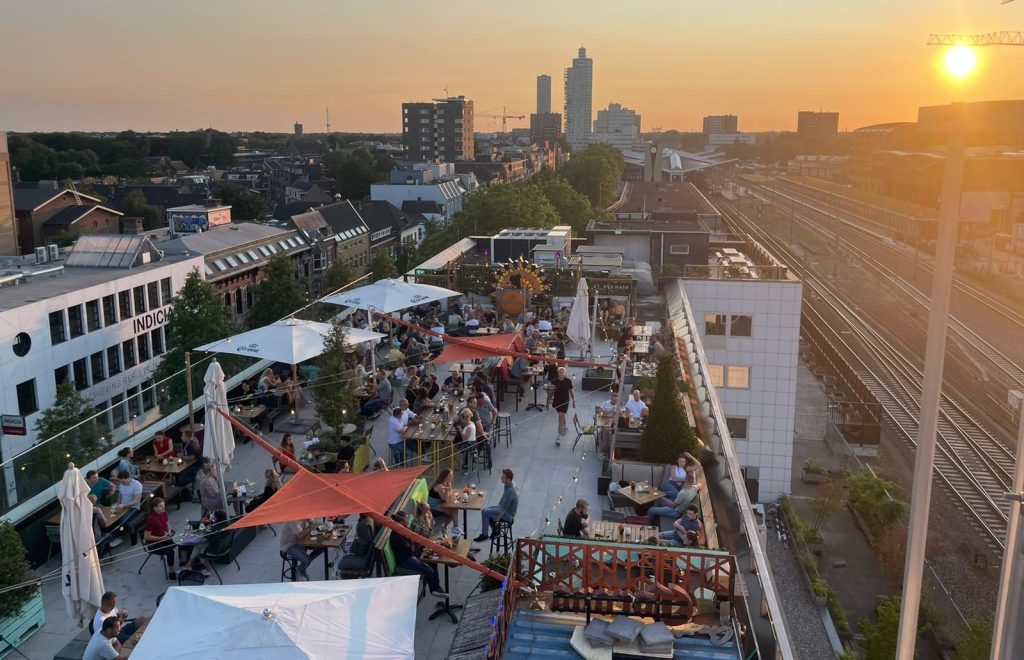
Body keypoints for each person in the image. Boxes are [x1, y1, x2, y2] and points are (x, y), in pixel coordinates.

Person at [389, 511, 447, 598]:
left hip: (412, 555)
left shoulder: (403, 528)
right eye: (407, 519)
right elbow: (410, 549)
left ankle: (437, 587)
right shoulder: (396, 536)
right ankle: (433, 590)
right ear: (401, 522)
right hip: (406, 560)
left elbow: (413, 540)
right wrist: (414, 542)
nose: (408, 521)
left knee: (433, 561)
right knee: (429, 570)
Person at [475, 468, 519, 542]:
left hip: (508, 514)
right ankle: (496, 531)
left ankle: (485, 535)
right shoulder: (509, 484)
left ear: (508, 479)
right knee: (484, 510)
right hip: (504, 508)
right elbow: (504, 495)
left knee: (485, 512)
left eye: (503, 477)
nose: (501, 478)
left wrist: (497, 520)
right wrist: (499, 504)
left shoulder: (511, 491)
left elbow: (504, 510)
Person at [143, 498, 179, 580]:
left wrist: (169, 532)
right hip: (153, 544)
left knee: (179, 543)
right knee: (170, 552)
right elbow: (146, 537)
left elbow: (167, 524)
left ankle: (183, 561)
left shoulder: (164, 513)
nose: (163, 508)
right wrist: (162, 538)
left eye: (164, 505)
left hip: (164, 538)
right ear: (154, 508)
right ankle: (171, 570)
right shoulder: (151, 519)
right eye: (160, 506)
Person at [550, 367, 576, 440]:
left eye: (562, 372)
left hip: (565, 402)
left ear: (565, 373)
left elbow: (571, 391)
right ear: (558, 373)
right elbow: (551, 392)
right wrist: (549, 400)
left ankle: (559, 434)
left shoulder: (568, 381)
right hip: (556, 402)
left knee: (560, 417)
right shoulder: (554, 381)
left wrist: (574, 401)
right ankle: (564, 427)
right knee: (561, 416)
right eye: (560, 372)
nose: (561, 374)